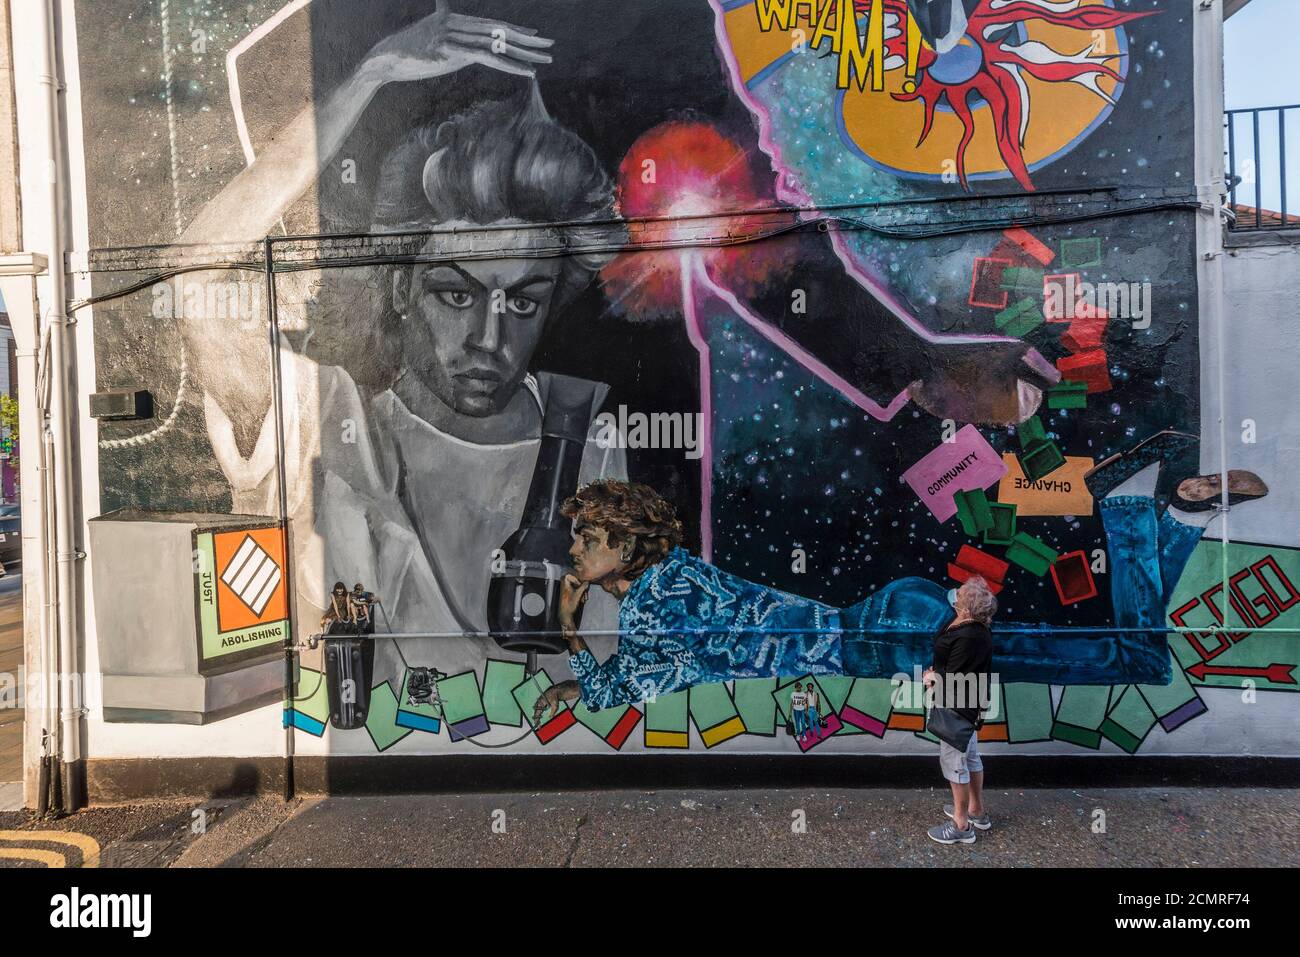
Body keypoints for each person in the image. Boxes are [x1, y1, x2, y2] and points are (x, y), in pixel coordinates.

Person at [174, 8, 628, 692]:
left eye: (525, 301)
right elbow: (188, 283)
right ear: (399, 285)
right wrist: (368, 78)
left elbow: (607, 667)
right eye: (456, 294)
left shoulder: (583, 440)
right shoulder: (325, 416)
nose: (489, 337)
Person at [540, 450, 1267, 713]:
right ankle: (1174, 515)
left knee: (1132, 658)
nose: (574, 547)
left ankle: (1150, 521)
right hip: (894, 614)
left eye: (588, 536)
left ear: (626, 544)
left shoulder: (651, 609)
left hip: (889, 635)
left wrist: (573, 635)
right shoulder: (675, 575)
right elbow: (629, 679)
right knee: (1113, 650)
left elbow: (623, 688)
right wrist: (586, 642)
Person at [923, 576, 995, 846]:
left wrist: (931, 678)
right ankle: (976, 811)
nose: (956, 594)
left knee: (955, 764)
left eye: (962, 594)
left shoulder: (970, 636)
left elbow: (954, 676)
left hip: (957, 707)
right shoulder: (968, 626)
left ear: (966, 606)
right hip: (968, 703)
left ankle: (961, 825)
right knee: (971, 756)